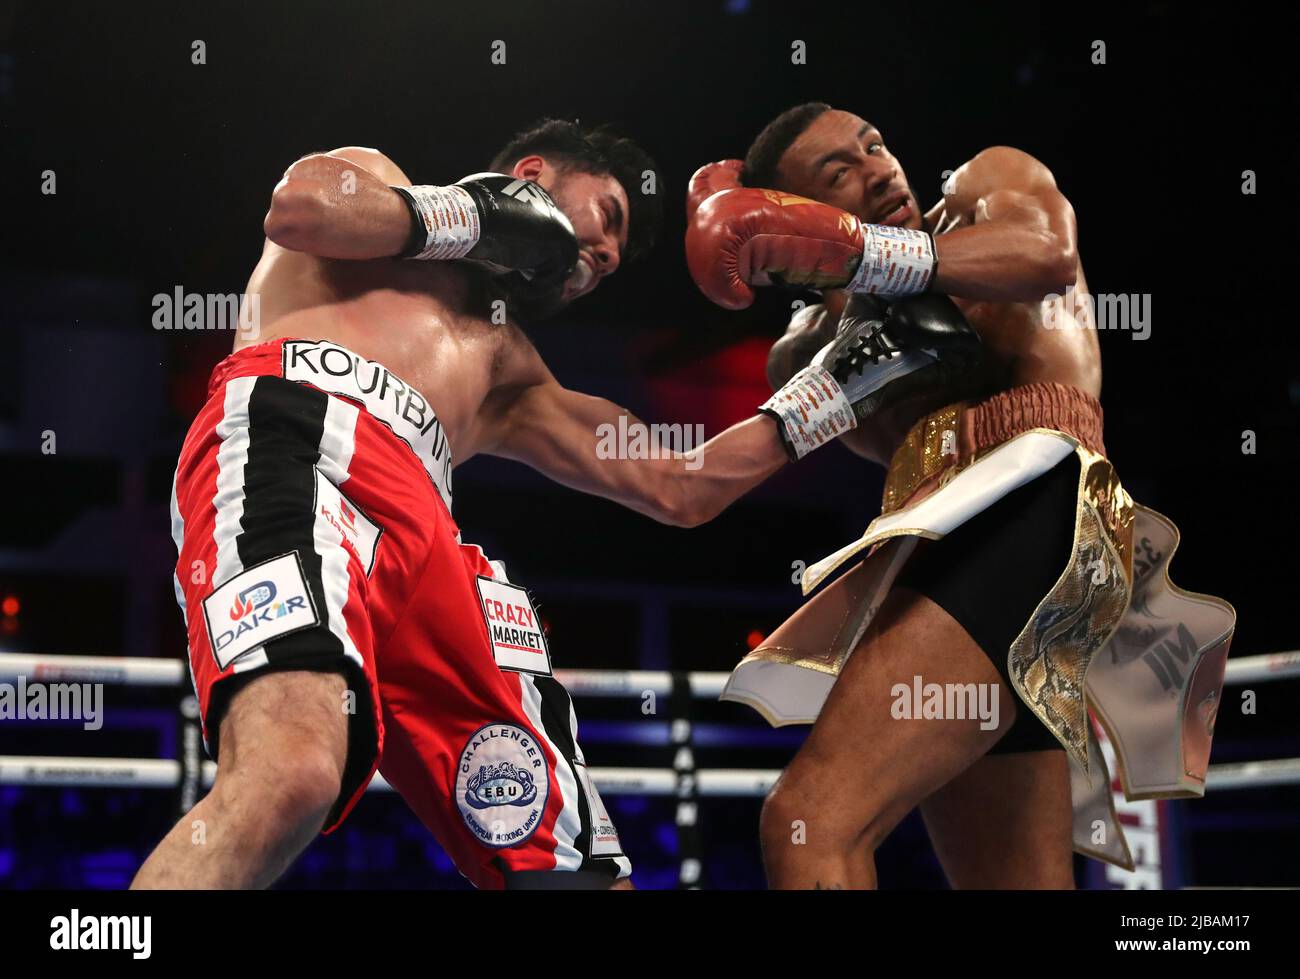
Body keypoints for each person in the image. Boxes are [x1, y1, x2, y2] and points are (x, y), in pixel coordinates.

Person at [134, 118, 966, 890]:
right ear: (532, 176)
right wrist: (474, 214)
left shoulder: (511, 376)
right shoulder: (375, 189)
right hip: (299, 437)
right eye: (603, 217)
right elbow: (302, 209)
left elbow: (678, 484)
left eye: (610, 259)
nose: (601, 254)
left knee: (569, 865)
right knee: (294, 774)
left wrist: (838, 386)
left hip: (424, 534)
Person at [684, 103, 1235, 889]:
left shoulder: (983, 189)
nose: (879, 168)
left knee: (810, 818)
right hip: (946, 545)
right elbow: (875, 437)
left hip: (1039, 502)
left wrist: (867, 252)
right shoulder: (804, 347)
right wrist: (837, 276)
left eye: (875, 145)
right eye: (839, 171)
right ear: (792, 216)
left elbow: (1047, 253)